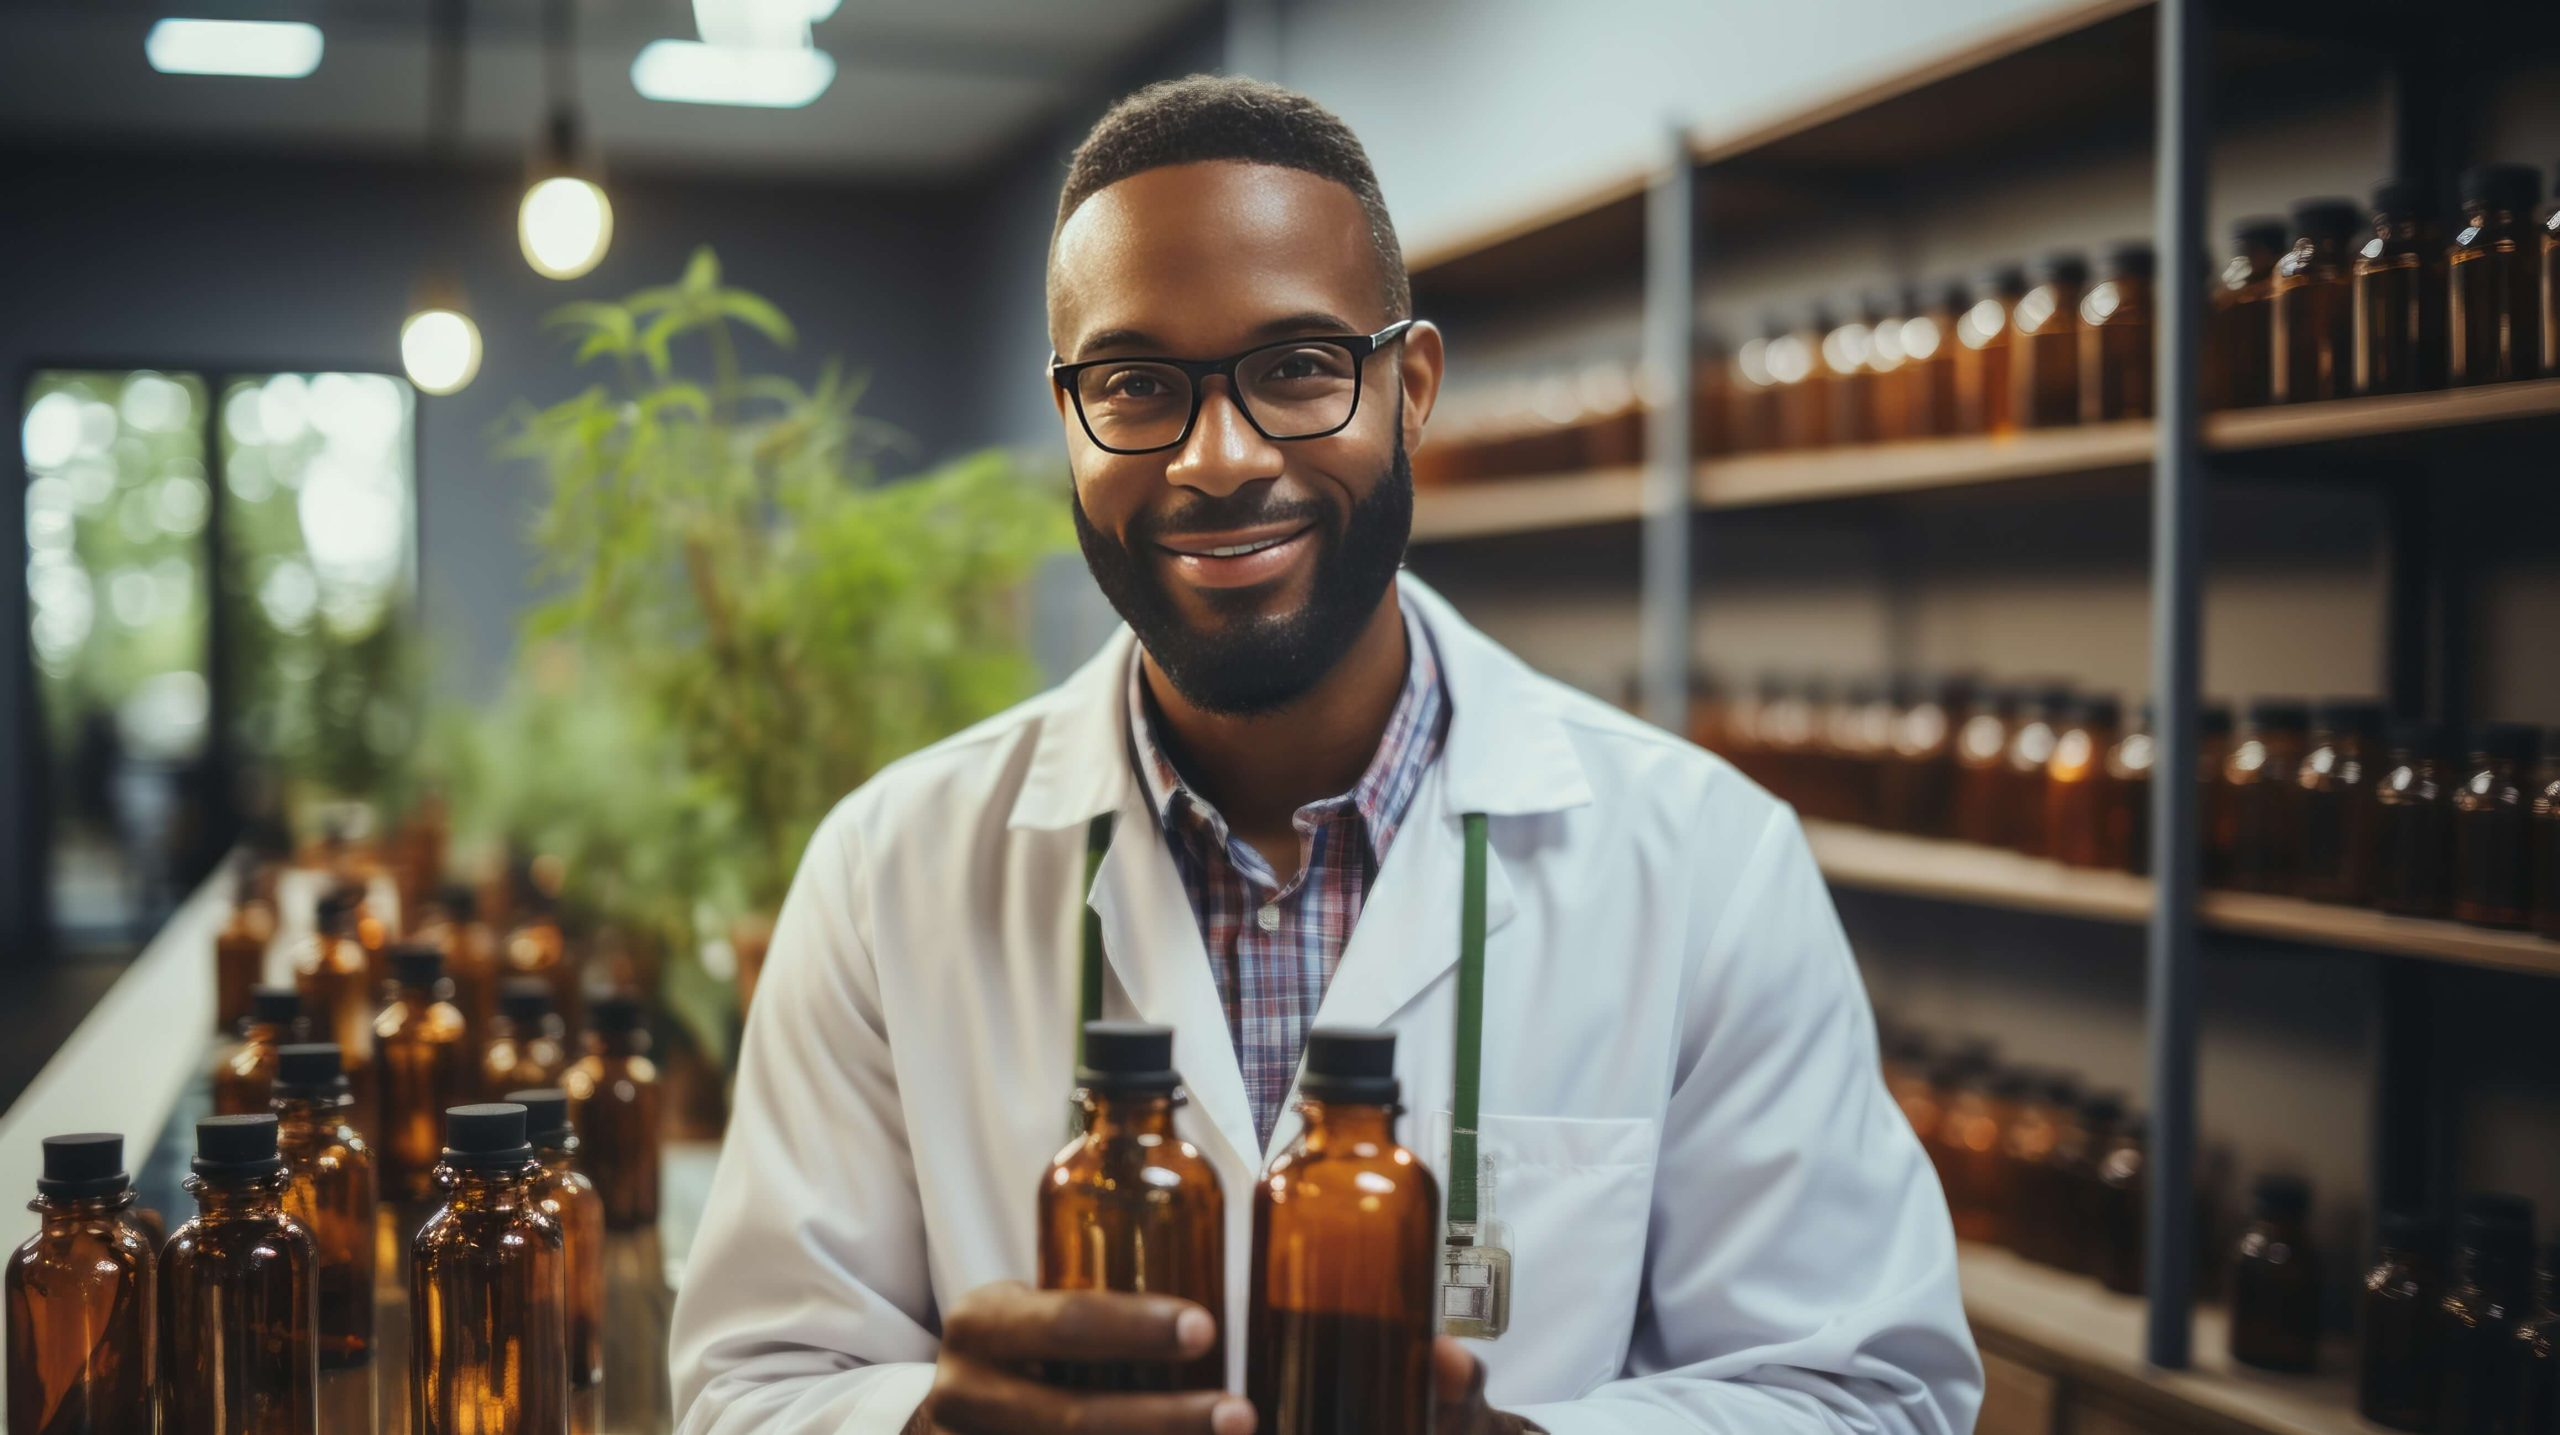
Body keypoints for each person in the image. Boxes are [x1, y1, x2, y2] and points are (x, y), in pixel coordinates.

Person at [670, 75, 1979, 1435]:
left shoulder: (1708, 862)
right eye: (1134, 384)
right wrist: (933, 1429)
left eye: (1298, 366)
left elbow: (1870, 1389)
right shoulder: (889, 873)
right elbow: (747, 1385)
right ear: (1067, 421)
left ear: (1409, 388)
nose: (1220, 456)